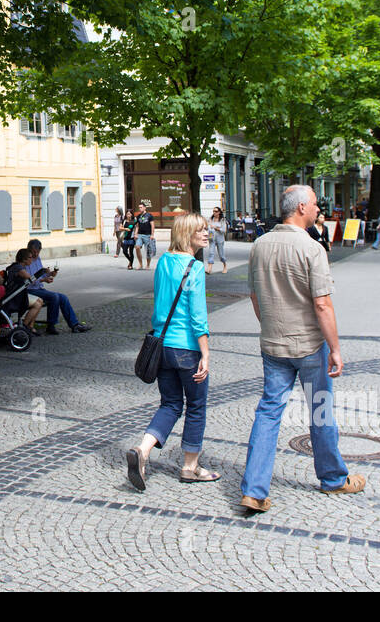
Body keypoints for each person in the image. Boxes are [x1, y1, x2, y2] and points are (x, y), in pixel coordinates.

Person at [240, 185, 363, 514]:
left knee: (268, 412)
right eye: (314, 204)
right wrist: (335, 348)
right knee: (321, 410)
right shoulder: (312, 248)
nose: (318, 209)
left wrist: (269, 326)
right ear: (300, 209)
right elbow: (322, 304)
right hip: (309, 344)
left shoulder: (260, 246)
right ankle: (333, 478)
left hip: (273, 344)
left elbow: (254, 296)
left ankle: (253, 489)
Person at [125, 212, 216, 490]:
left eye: (206, 229)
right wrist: (206, 353)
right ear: (187, 234)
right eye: (200, 230)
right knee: (196, 406)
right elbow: (197, 316)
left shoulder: (164, 262)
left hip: (161, 345)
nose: (206, 233)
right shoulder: (194, 267)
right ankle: (190, 467)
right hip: (186, 348)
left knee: (171, 404)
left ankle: (143, 449)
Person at [24, 239, 91, 334]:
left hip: (39, 289)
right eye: (33, 252)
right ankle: (51, 326)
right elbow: (28, 281)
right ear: (29, 249)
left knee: (63, 297)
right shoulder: (26, 260)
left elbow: (40, 275)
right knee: (54, 296)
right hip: (30, 290)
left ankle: (75, 325)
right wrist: (43, 280)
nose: (35, 254)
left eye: (37, 252)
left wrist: (50, 274)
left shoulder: (37, 259)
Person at [205, 206, 228, 274]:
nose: (214, 213)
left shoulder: (222, 220)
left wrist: (216, 228)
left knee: (221, 254)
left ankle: (225, 266)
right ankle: (209, 268)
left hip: (220, 239)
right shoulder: (210, 219)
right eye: (213, 211)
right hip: (212, 238)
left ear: (219, 212)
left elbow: (224, 230)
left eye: (216, 211)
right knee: (211, 253)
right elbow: (208, 227)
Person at [133, 202, 154, 270]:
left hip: (147, 235)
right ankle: (140, 264)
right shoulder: (138, 216)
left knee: (148, 250)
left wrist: (152, 234)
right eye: (139, 207)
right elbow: (137, 226)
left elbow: (152, 225)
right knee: (137, 247)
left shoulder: (149, 215)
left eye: (141, 207)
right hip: (140, 235)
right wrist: (135, 234)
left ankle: (148, 265)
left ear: (145, 208)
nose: (140, 208)